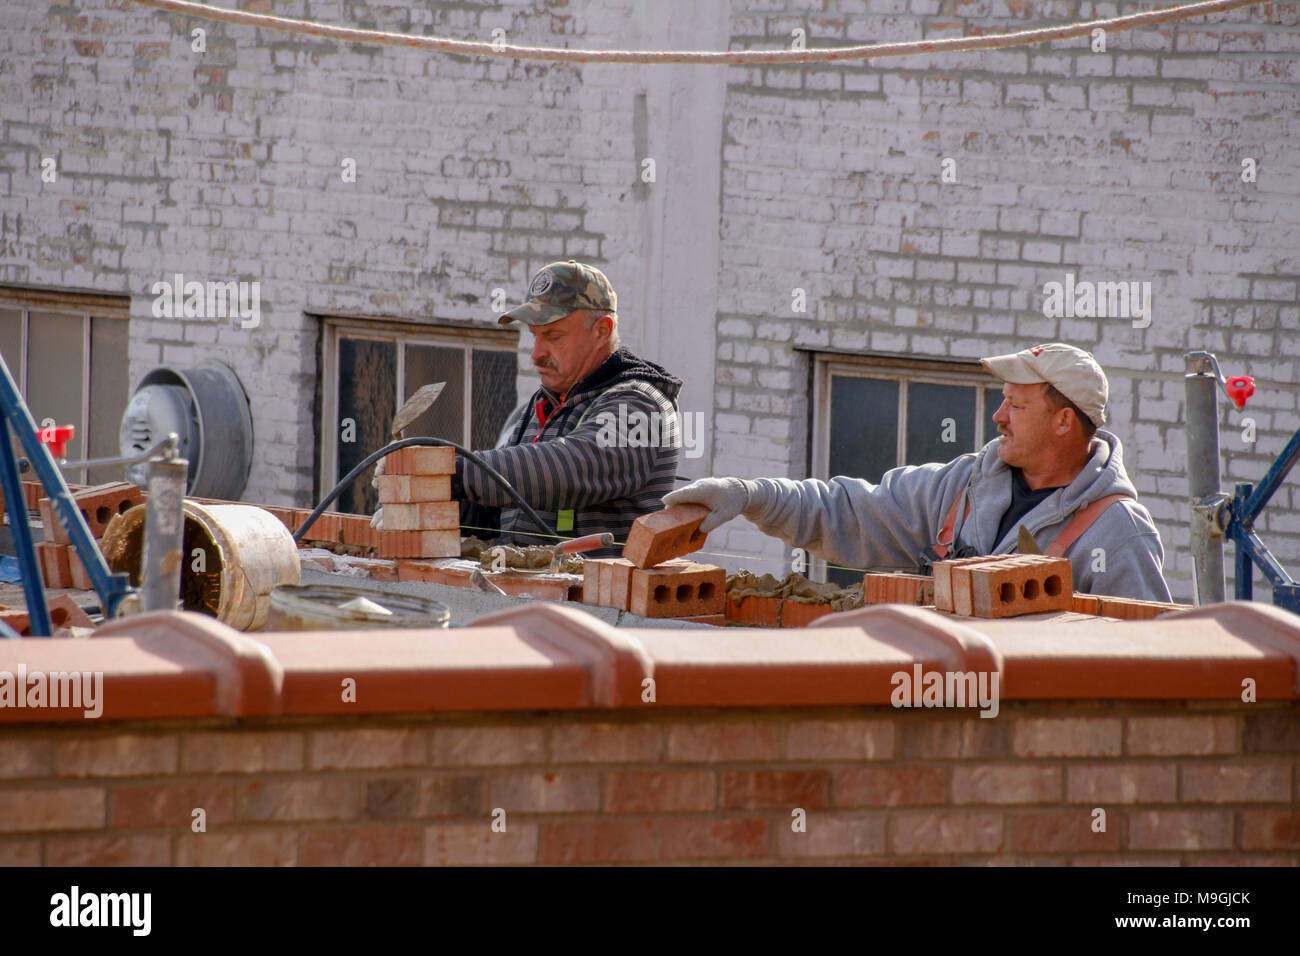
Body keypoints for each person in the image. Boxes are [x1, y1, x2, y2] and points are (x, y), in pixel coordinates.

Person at [665, 342, 1172, 601]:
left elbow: (1146, 673)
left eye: (1016, 406)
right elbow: (850, 510)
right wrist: (752, 496)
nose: (998, 418)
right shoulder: (963, 486)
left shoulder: (1118, 534)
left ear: (1064, 422)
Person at [374, 260, 683, 549]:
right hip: (535, 594)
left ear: (601, 330)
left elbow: (572, 468)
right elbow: (500, 516)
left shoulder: (641, 406)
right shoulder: (541, 409)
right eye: (535, 336)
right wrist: (423, 498)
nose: (536, 353)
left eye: (552, 336)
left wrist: (447, 469)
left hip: (594, 603)